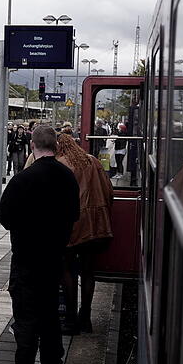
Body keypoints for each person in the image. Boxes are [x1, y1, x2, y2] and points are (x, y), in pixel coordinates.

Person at [0, 125, 80, 364]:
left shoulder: (23, 179)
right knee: (50, 312)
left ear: (32, 145)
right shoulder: (68, 177)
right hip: (54, 255)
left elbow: (5, 218)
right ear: (55, 146)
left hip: (26, 257)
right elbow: (75, 215)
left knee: (26, 315)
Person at [56, 133, 114, 334]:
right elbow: (109, 190)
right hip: (95, 225)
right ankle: (86, 316)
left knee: (68, 271)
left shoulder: (61, 163)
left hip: (72, 226)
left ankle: (70, 320)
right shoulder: (93, 161)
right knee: (89, 271)